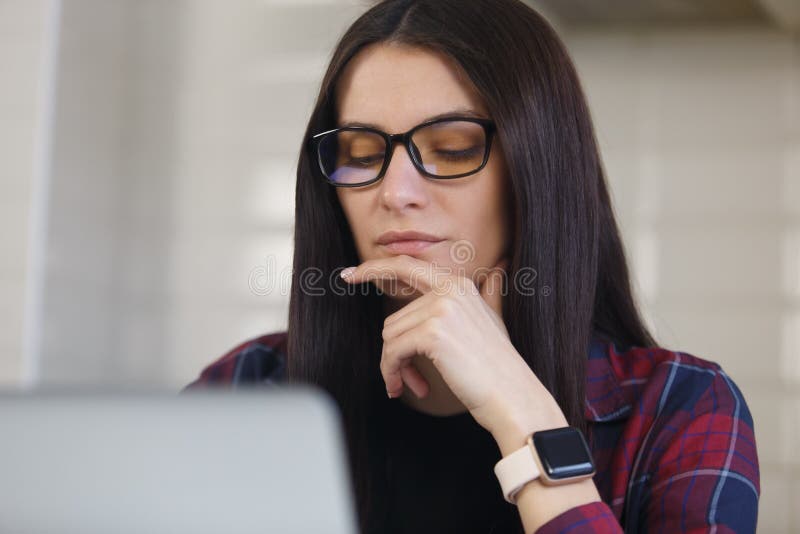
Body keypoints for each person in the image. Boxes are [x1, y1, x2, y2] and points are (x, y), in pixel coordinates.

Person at [184, 1, 760, 532]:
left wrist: (523, 414)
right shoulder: (243, 389)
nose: (395, 191)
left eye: (454, 148)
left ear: (539, 169)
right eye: (362, 155)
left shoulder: (681, 409)